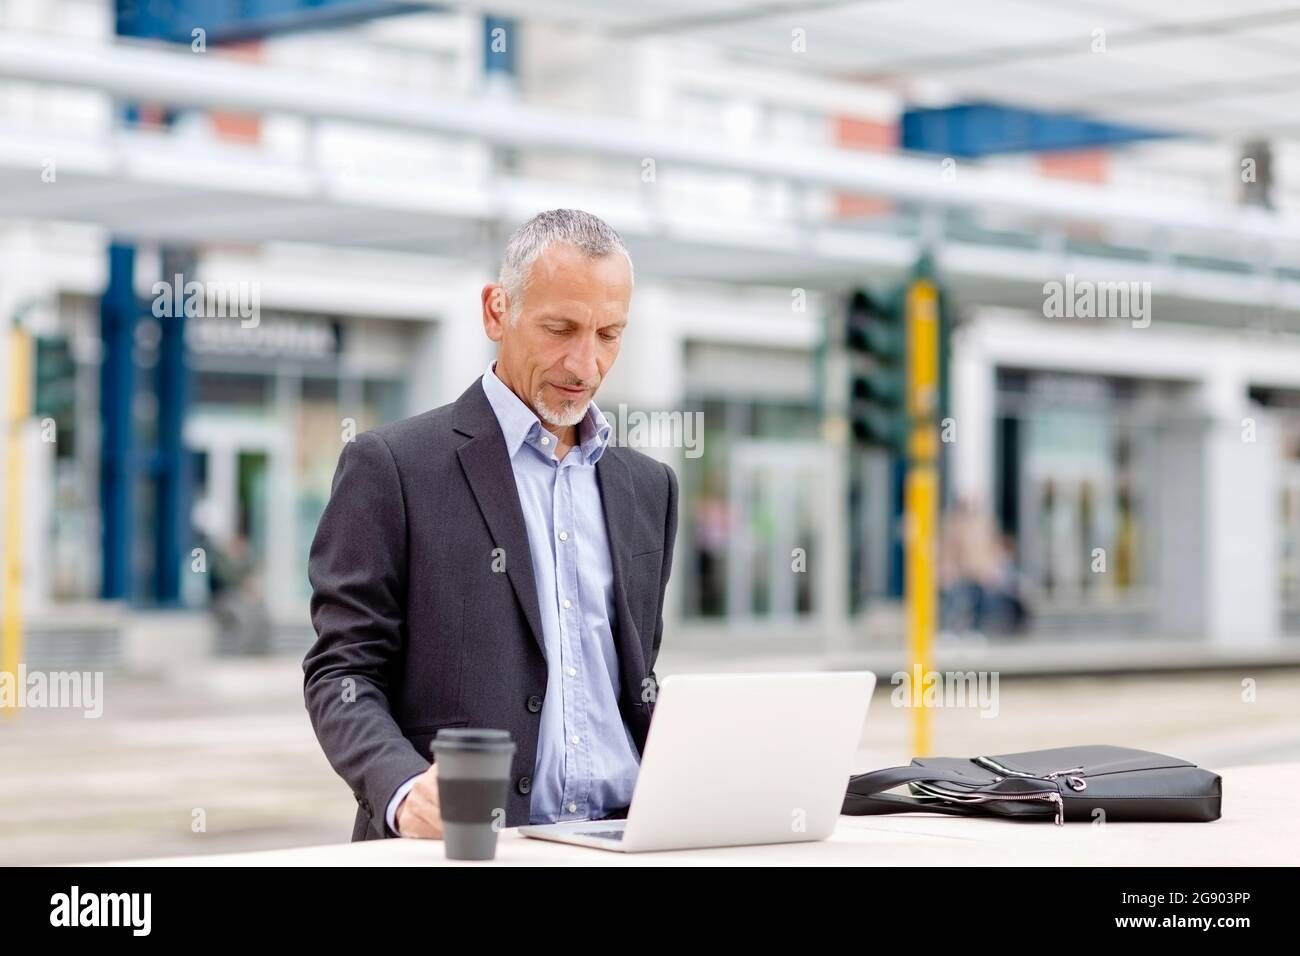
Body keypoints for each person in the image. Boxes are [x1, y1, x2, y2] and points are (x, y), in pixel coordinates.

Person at [303, 209, 678, 840]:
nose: (584, 364)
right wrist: (401, 788)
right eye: (559, 329)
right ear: (496, 311)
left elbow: (629, 681)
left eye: (609, 334)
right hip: (470, 843)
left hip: (626, 838)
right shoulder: (392, 467)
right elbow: (343, 671)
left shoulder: (650, 488)